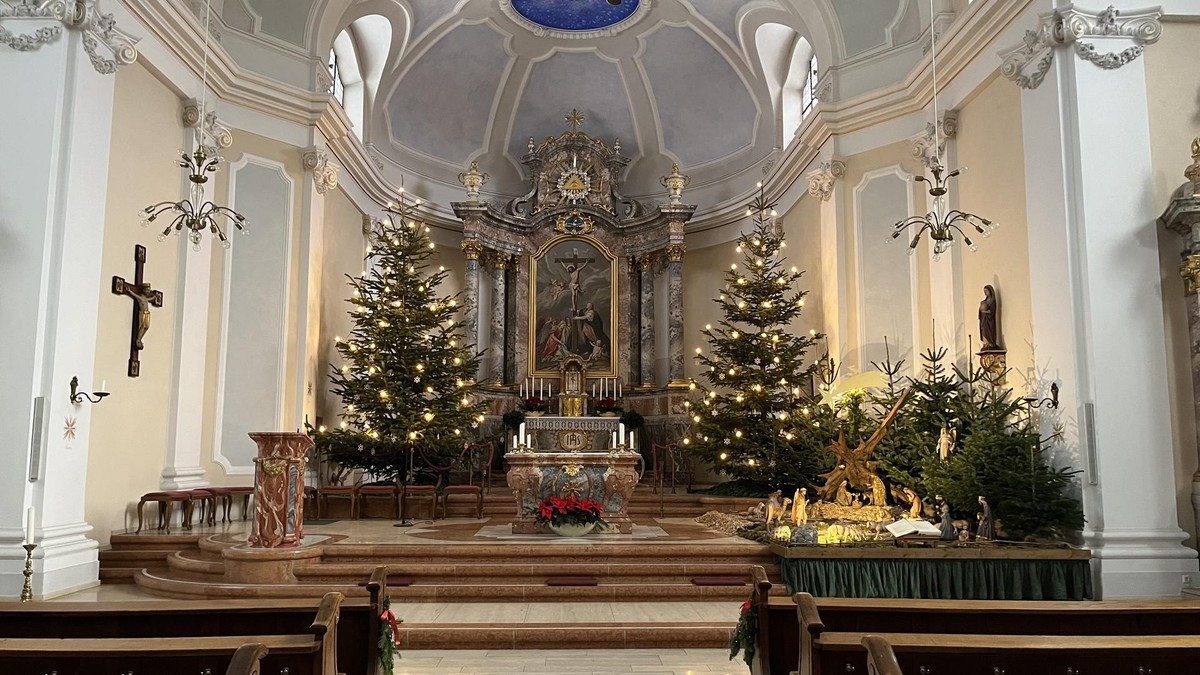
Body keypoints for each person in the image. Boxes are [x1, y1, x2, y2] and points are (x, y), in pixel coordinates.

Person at [979, 285, 1000, 350]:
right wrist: (981, 309)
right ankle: (985, 343)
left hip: (989, 320)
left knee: (988, 331)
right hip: (984, 320)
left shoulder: (992, 301)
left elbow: (992, 311)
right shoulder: (984, 301)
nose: (985, 293)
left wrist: (985, 311)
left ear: (990, 291)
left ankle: (990, 343)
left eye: (986, 291)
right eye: (984, 291)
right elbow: (981, 312)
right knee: (984, 330)